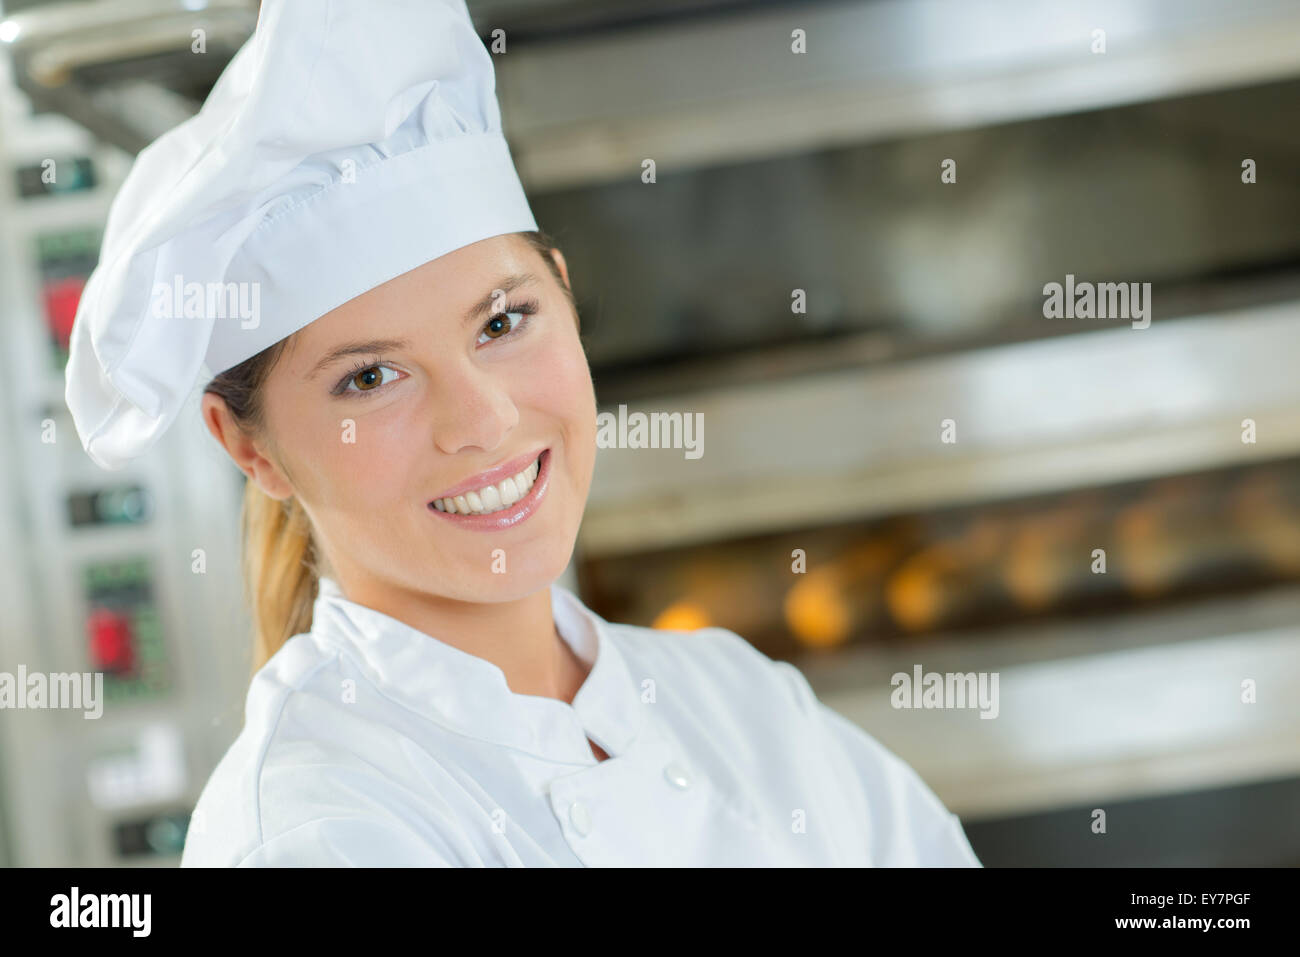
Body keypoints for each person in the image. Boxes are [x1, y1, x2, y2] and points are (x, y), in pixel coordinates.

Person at [64, 0, 981, 867]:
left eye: (501, 323)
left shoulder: (732, 699)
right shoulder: (321, 829)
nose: (484, 421)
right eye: (371, 378)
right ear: (248, 447)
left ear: (567, 295)